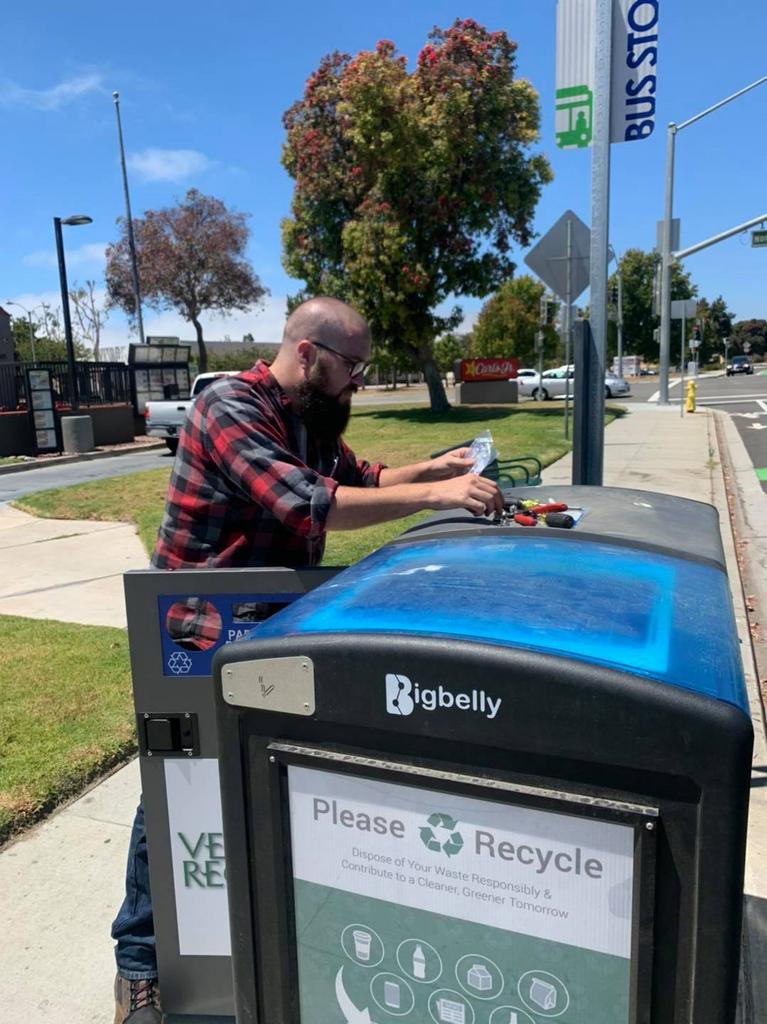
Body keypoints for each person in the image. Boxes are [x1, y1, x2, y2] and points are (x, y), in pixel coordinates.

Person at [112, 297, 503, 1023]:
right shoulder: (230, 406)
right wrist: (440, 494)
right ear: (306, 353)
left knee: (257, 771)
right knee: (174, 790)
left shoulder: (312, 419)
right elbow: (307, 506)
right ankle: (141, 966)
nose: (356, 382)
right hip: (196, 627)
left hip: (269, 621)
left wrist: (436, 466)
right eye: (350, 368)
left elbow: (364, 476)